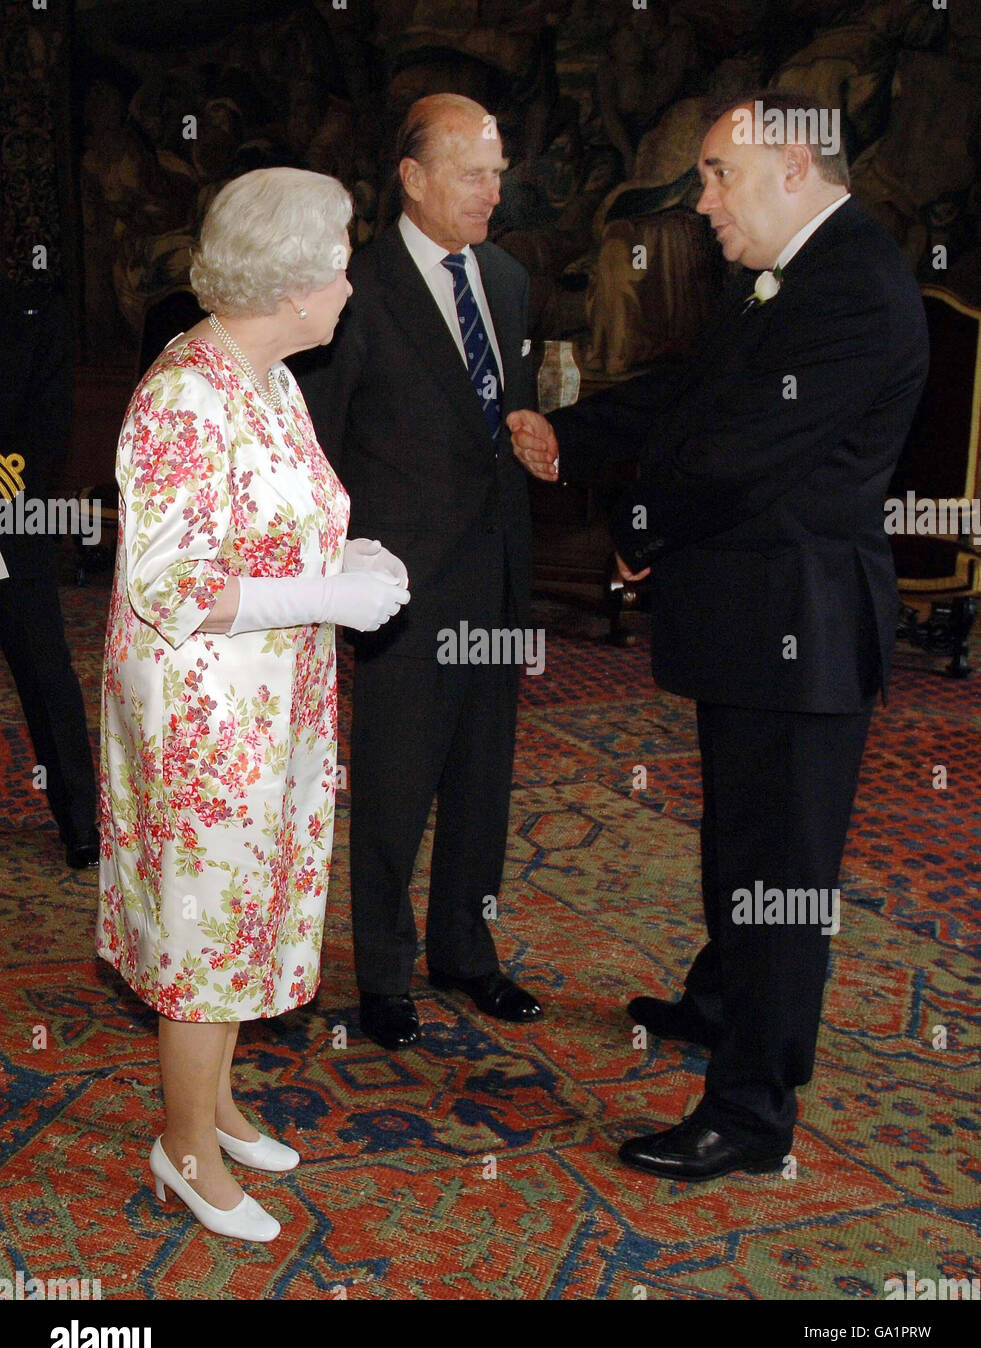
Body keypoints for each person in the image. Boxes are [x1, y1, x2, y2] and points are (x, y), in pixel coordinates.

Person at [508, 90, 929, 1182]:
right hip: (758, 623)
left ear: (792, 165)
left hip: (804, 631)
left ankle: (751, 1110)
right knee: (741, 836)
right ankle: (721, 998)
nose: (700, 202)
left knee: (779, 869)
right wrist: (572, 428)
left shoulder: (857, 291)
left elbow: (739, 452)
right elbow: (692, 393)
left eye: (714, 175)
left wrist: (637, 523)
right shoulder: (785, 275)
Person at [96, 168, 410, 1241]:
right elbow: (171, 582)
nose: (349, 285)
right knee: (205, 931)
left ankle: (213, 1106)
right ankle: (181, 1150)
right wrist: (331, 592)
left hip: (269, 695)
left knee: (246, 909)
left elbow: (272, 521)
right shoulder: (187, 391)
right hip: (202, 716)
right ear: (289, 283)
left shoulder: (267, 373)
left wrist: (343, 554)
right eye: (338, 265)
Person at [298, 94, 543, 1050]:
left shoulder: (511, 281)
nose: (494, 189)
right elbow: (320, 446)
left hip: (501, 576)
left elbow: (502, 427)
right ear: (413, 177)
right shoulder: (351, 289)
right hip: (401, 586)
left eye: (497, 171)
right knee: (397, 784)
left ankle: (466, 954)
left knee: (484, 780)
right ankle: (384, 976)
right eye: (475, 172)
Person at [0, 273, 99, 869]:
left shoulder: (32, 312)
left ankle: (80, 823)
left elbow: (44, 427)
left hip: (11, 514)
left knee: (44, 665)